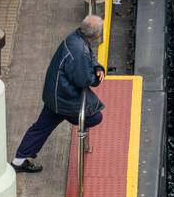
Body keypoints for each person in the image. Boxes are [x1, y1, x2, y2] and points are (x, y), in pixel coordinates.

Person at [10, 16, 106, 173]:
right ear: (95, 35)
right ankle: (71, 118)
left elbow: (89, 55)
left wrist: (96, 66)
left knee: (41, 127)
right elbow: (83, 80)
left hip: (55, 94)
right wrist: (97, 78)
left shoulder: (75, 37)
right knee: (95, 117)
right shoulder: (79, 51)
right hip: (65, 99)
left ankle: (18, 161)